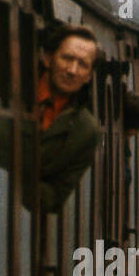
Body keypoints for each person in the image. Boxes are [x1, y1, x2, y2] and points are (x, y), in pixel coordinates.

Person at [34, 24, 101, 212]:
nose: (72, 70)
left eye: (83, 65)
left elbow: (56, 197)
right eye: (67, 58)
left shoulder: (86, 130)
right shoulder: (7, 98)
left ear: (89, 76)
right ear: (47, 58)